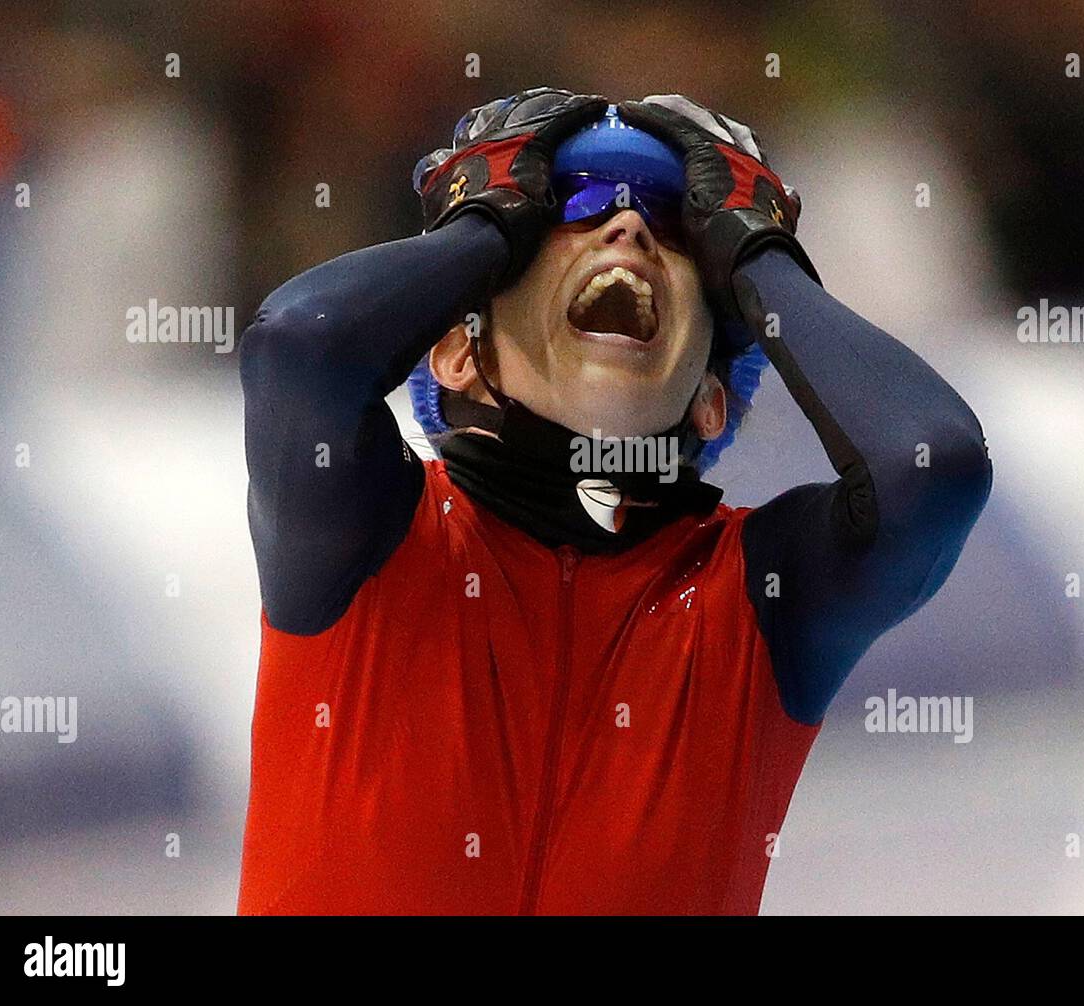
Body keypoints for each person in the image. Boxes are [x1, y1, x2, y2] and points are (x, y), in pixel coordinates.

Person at [236, 87, 992, 915]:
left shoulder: (759, 599)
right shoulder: (369, 537)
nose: (627, 228)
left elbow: (934, 466)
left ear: (711, 401)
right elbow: (298, 345)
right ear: (455, 353)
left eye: (675, 235)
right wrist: (488, 218)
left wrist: (754, 250)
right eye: (575, 210)